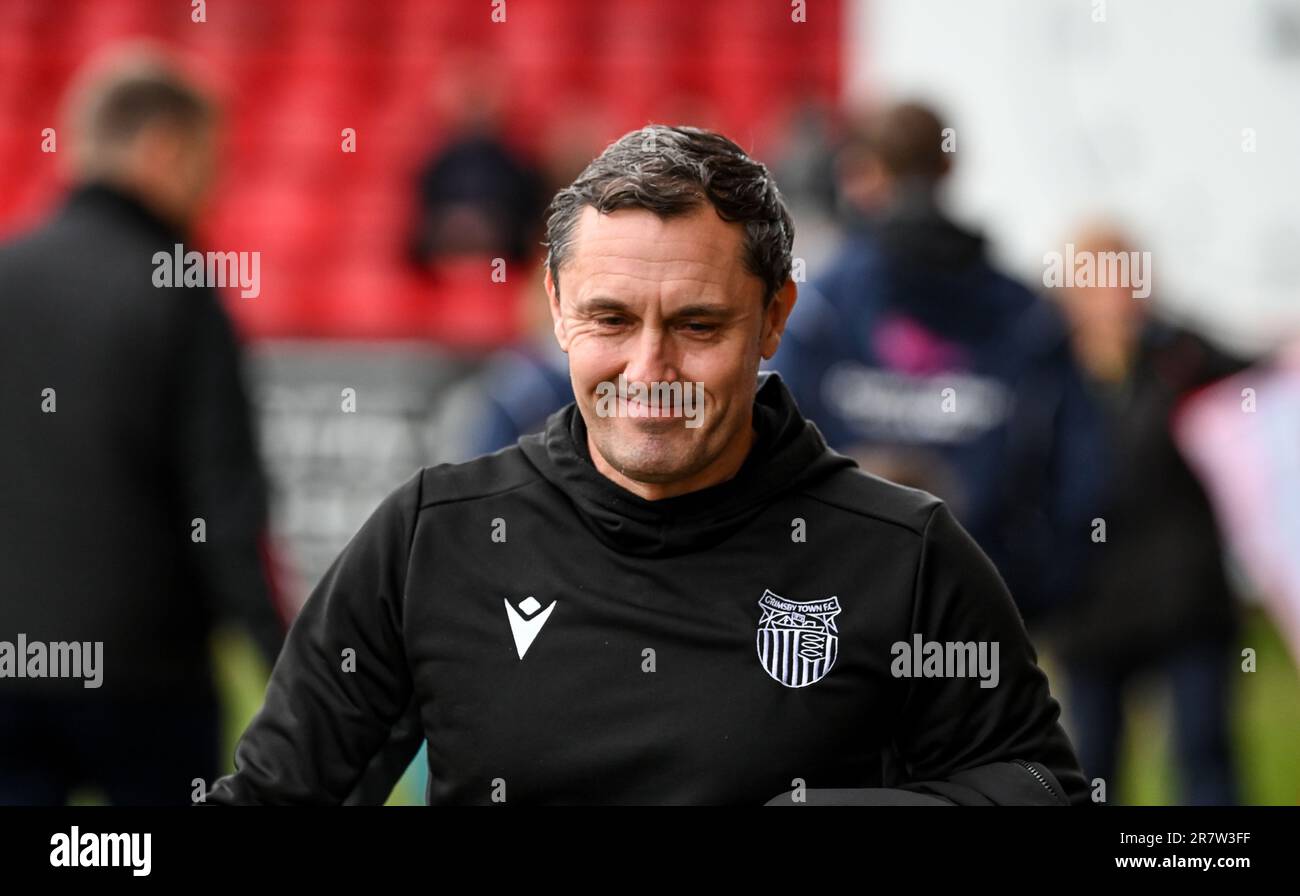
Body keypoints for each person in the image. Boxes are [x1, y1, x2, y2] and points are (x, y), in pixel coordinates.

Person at [208, 125, 1086, 805]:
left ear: (775, 317)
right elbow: (277, 796)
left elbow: (1041, 788)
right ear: (554, 308)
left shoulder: (903, 554)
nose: (649, 372)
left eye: (698, 326)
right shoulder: (433, 539)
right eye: (611, 320)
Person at [0, 49, 284, 804]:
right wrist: (284, 660)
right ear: (164, 148)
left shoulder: (7, 273)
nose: (212, 186)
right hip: (145, 678)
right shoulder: (179, 289)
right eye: (207, 161)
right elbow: (224, 507)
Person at [771, 102, 1105, 625]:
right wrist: (1041, 587)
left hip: (840, 600)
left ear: (860, 172)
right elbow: (1081, 472)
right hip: (986, 601)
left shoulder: (817, 306)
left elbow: (770, 442)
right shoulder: (1027, 312)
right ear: (949, 168)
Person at [1048, 225, 1246, 805]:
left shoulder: (1184, 356)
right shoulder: (1051, 372)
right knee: (1093, 766)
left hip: (1186, 598)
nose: (1113, 294)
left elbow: (1260, 390)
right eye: (1095, 280)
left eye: (1121, 276)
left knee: (1204, 755)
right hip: (1089, 605)